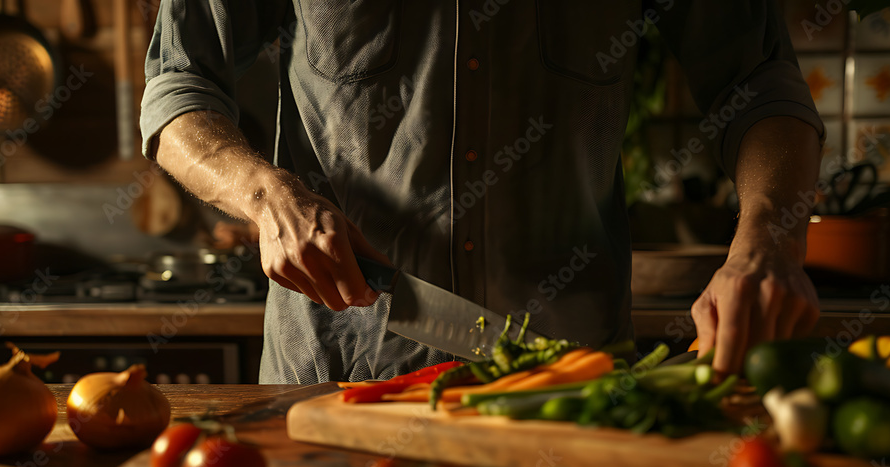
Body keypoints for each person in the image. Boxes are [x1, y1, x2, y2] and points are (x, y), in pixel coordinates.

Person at [141, 1, 822, 384]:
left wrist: (768, 236)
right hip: (336, 376)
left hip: (571, 385)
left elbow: (757, 82)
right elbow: (177, 85)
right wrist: (267, 198)